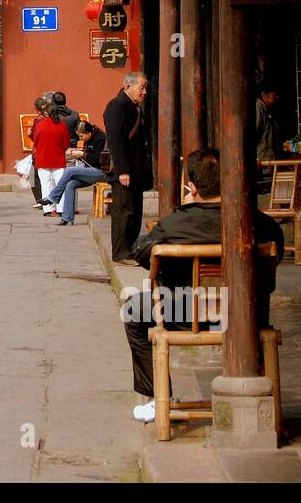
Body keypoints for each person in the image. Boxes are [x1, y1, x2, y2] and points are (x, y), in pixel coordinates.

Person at [120, 149, 285, 422]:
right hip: (246, 314)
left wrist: (186, 209)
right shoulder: (261, 223)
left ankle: (158, 398)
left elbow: (141, 252)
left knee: (133, 312)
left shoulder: (175, 224)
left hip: (186, 313)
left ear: (193, 187)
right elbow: (275, 256)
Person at [104, 71, 152, 265]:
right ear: (128, 86)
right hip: (124, 171)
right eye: (142, 87)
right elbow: (116, 141)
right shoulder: (117, 106)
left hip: (136, 170)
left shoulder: (134, 107)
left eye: (145, 87)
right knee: (124, 211)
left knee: (135, 212)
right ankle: (120, 253)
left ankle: (130, 249)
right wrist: (122, 169)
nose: (145, 92)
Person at [44, 121, 108, 225]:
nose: (80, 138)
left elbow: (98, 159)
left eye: (82, 136)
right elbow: (87, 159)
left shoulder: (100, 139)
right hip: (90, 171)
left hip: (100, 172)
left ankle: (53, 197)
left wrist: (82, 154)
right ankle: (67, 218)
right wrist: (78, 155)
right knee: (70, 184)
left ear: (89, 133)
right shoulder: (89, 140)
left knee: (69, 170)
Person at [32, 105, 70, 217]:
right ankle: (60, 209)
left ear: (46, 113)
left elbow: (36, 142)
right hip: (58, 159)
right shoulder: (63, 126)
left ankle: (47, 209)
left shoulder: (40, 125)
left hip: (43, 159)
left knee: (45, 185)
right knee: (60, 185)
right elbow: (66, 143)